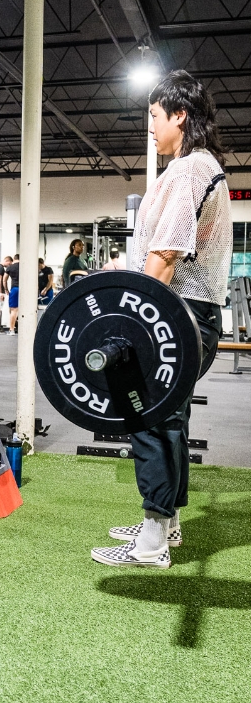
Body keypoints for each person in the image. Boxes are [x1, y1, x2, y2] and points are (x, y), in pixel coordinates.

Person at [92, 70, 232, 568]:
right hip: (186, 314)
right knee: (169, 417)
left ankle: (150, 541)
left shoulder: (192, 169)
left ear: (180, 116)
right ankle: (165, 522)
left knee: (146, 416)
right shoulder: (191, 167)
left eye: (154, 115)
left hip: (179, 314)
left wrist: (132, 317)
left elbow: (167, 256)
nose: (149, 125)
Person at [3, 254, 20, 333]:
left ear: (14, 259)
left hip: (14, 289)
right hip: (25, 290)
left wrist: (6, 289)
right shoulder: (25, 266)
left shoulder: (10, 267)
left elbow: (4, 280)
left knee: (13, 310)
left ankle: (12, 329)